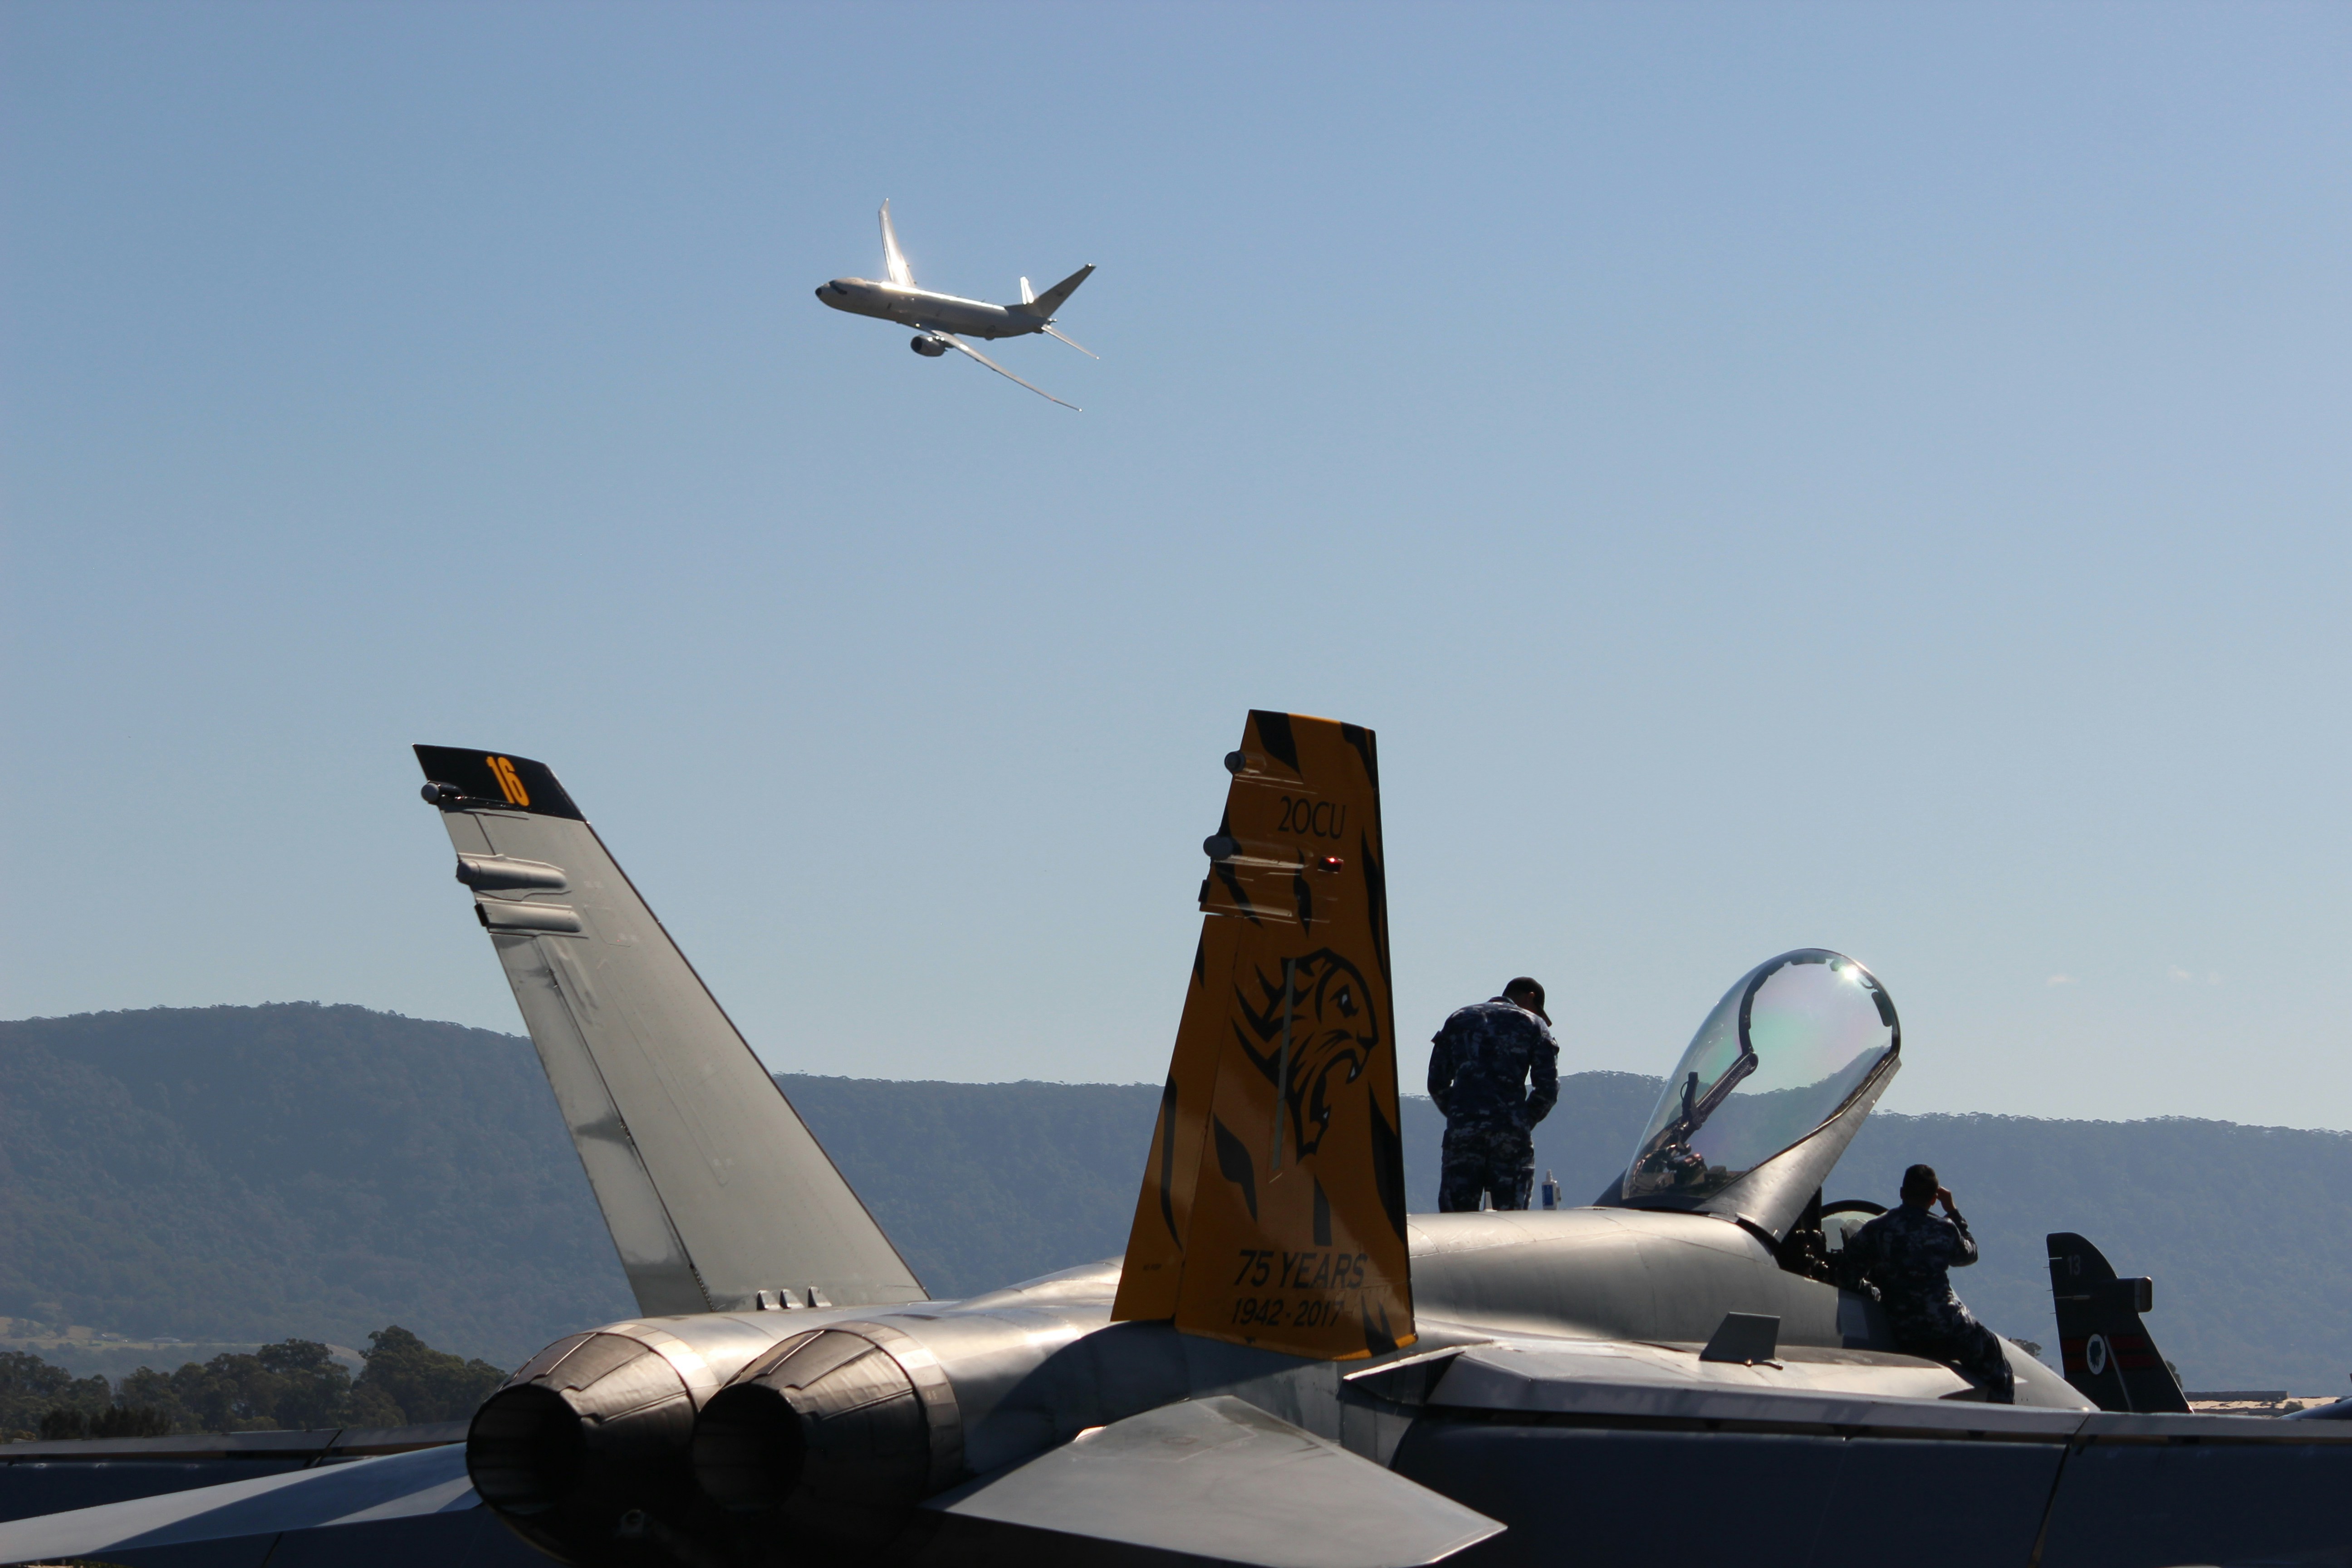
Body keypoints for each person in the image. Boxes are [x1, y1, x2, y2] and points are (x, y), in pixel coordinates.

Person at [1845, 1163, 2015, 1403]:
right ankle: (2000, 1426)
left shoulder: (1876, 1230)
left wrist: (1875, 1296)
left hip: (1903, 1329)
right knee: (1997, 1364)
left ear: (1902, 1193)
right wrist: (1953, 1211)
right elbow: (1971, 1253)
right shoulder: (1944, 1230)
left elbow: (1848, 1270)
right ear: (1934, 1200)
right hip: (1949, 1328)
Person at [1427, 978, 1560, 1212]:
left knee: (1455, 1223)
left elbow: (1436, 1082)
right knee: (1511, 1226)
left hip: (1464, 1137)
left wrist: (1461, 1117)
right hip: (1510, 1139)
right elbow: (1548, 1088)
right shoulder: (1534, 1024)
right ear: (1530, 997)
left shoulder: (1459, 1020)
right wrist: (1521, 1121)